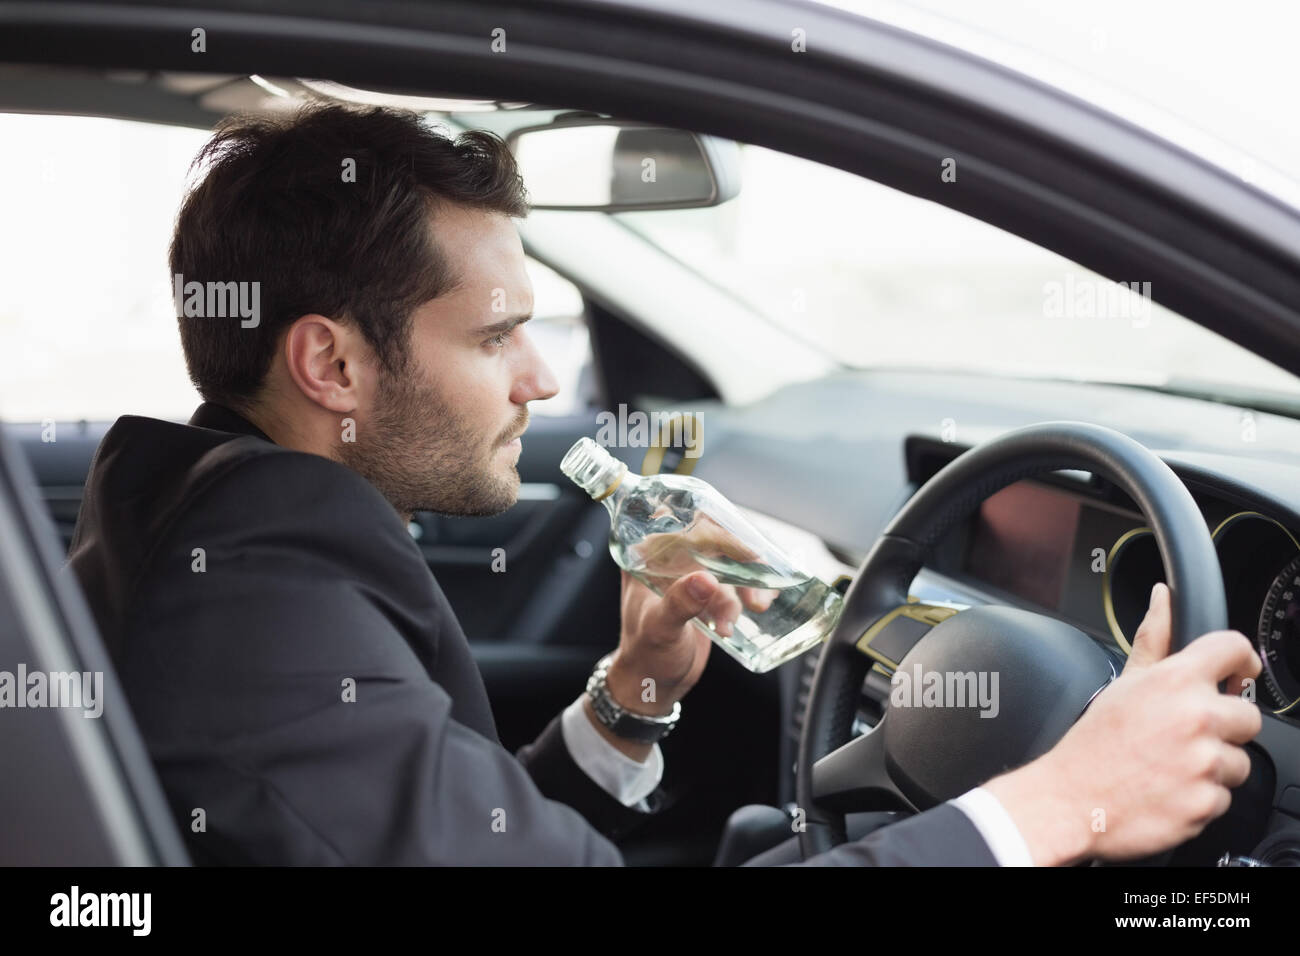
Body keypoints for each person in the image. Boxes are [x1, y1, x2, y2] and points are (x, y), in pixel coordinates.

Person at [66, 104, 1262, 865]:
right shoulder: (260, 619)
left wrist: (626, 701)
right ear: (332, 362)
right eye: (495, 338)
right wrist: (1068, 800)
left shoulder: (217, 525)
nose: (541, 377)